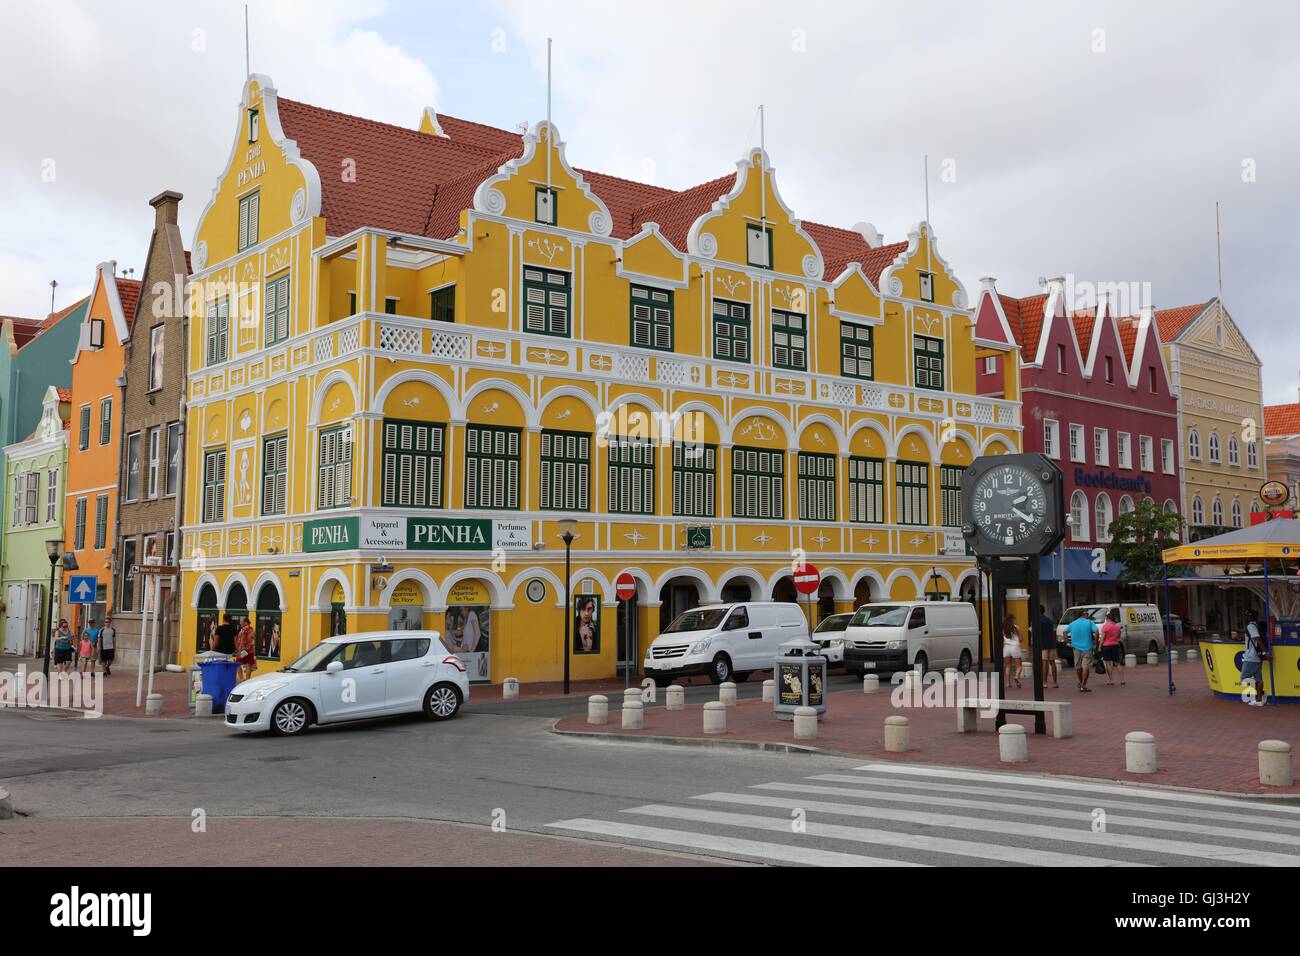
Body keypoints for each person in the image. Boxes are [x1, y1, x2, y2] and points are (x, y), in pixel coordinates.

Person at [1067, 611, 1100, 692]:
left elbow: (1065, 632)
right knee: (1086, 666)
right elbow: (1096, 632)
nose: (1088, 615)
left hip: (1076, 647)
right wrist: (1096, 642)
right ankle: (1083, 685)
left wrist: (1067, 642)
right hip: (1087, 647)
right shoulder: (1089, 622)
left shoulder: (1073, 623)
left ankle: (1081, 683)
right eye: (1087, 614)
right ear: (1084, 615)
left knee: (1078, 666)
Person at [1241, 609, 1268, 706]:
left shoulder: (1251, 626)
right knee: (1258, 678)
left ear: (1250, 617)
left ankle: (1258, 697)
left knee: (1244, 678)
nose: (1244, 618)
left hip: (1251, 657)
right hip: (1256, 656)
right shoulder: (1255, 626)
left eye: (1246, 616)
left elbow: (1258, 639)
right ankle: (1260, 698)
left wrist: (1265, 652)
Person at [1099, 608, 1125, 686]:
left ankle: (1111, 680)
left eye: (1106, 618)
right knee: (1117, 663)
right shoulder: (1117, 627)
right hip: (1115, 645)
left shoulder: (1105, 627)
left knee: (1108, 663)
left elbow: (1102, 638)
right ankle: (1122, 680)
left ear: (1108, 618)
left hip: (1106, 646)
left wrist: (1099, 647)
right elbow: (1118, 637)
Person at [1036, 604, 1059, 689]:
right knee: (1052, 662)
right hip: (1051, 643)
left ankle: (1044, 682)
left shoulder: (1038, 621)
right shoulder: (1049, 620)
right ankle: (1055, 682)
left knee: (1045, 662)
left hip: (1043, 644)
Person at [1001, 614, 1023, 689]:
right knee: (1019, 666)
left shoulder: (1003, 628)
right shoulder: (1016, 627)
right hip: (1015, 647)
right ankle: (1016, 676)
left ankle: (1008, 683)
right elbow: (1021, 639)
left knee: (1007, 666)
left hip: (1006, 647)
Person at [235, 616, 256, 682]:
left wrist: (241, 649)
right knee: (248, 664)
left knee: (237, 664)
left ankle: (241, 679)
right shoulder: (251, 629)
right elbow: (253, 638)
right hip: (250, 650)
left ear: (246, 622)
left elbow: (242, 639)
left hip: (243, 650)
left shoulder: (244, 629)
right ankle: (247, 679)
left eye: (241, 622)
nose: (240, 623)